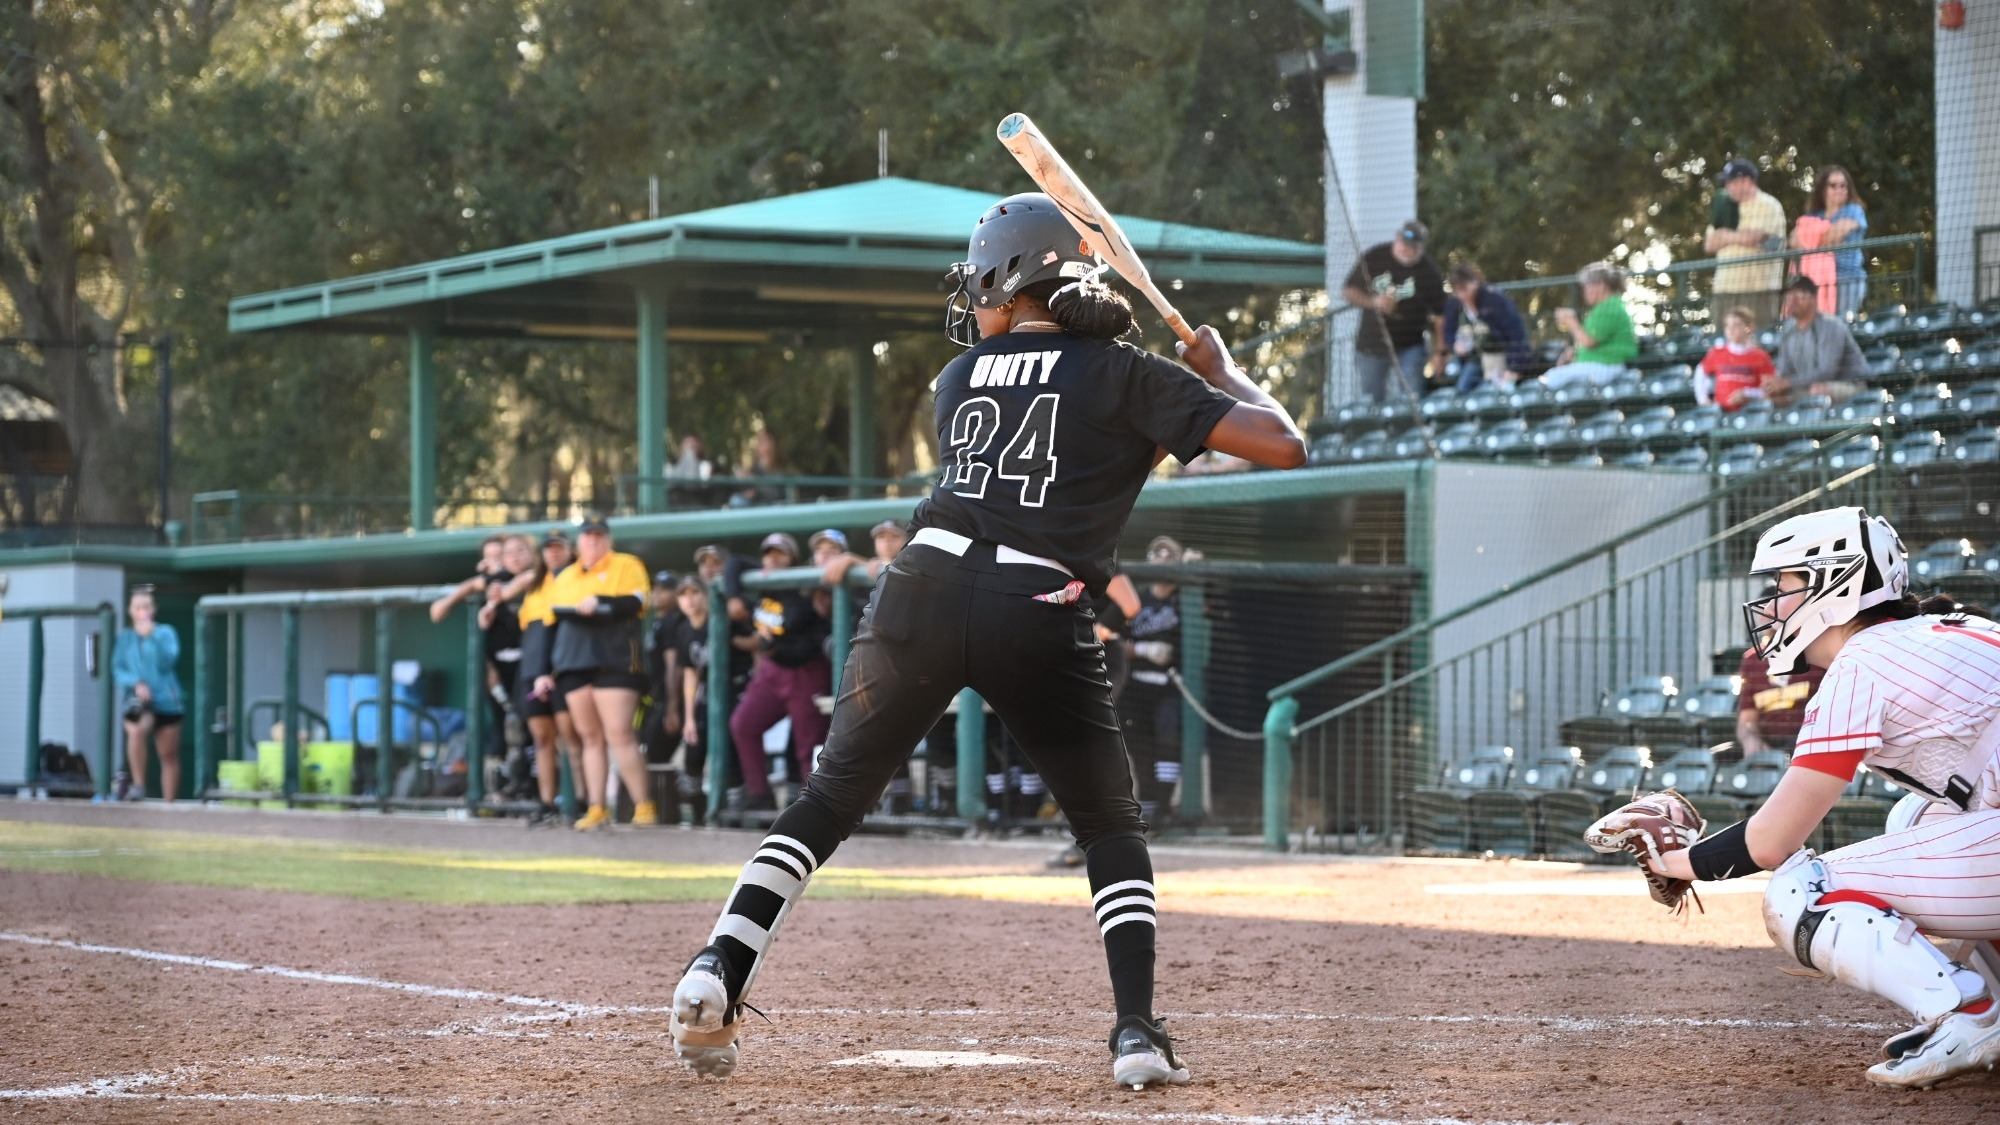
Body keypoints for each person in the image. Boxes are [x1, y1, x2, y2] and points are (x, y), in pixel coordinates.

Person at [668, 190, 1306, 1089]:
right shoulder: (1125, 371)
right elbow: (1284, 445)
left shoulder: (958, 378)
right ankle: (1134, 1033)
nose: (972, 302)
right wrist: (1223, 374)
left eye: (981, 286)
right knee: (1109, 824)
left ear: (1014, 281)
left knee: (829, 799)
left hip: (917, 590)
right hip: (1032, 601)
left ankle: (716, 970)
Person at [1600, 507, 2000, 1088]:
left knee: (1797, 893)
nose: (1772, 603)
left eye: (1785, 585)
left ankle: (1969, 1013)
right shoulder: (1942, 632)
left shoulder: (1863, 660)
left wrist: (1674, 861)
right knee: (1913, 815)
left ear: (1834, 584)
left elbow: (1771, 843)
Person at [528, 515, 655, 830]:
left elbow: (638, 600)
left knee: (619, 733)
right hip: (573, 662)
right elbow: (549, 624)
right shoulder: (566, 576)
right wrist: (544, 670)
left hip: (615, 661)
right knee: (589, 738)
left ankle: (644, 806)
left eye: (598, 536)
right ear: (580, 542)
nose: (593, 541)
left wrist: (601, 601)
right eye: (587, 537)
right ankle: (597, 807)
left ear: (607, 539)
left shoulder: (626, 564)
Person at [727, 532, 831, 813]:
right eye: (768, 552)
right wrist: (734, 596)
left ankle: (817, 806)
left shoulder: (808, 586)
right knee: (743, 724)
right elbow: (734, 563)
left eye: (780, 553)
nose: (773, 558)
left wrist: (776, 648)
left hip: (805, 671)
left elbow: (814, 641)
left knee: (807, 745)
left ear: (793, 559)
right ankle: (759, 794)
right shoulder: (762, 581)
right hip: (772, 672)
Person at [505, 530, 579, 827]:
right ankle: (547, 803)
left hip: (561, 667)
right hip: (531, 668)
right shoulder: (535, 583)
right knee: (542, 739)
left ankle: (582, 803)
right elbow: (502, 589)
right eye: (548, 549)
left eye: (559, 548)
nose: (554, 553)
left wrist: (551, 671)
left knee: (571, 739)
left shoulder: (574, 578)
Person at [675, 574, 754, 825]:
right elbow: (690, 674)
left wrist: (740, 642)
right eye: (684, 594)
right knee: (694, 750)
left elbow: (757, 643)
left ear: (706, 596)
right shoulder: (685, 630)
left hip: (737, 686)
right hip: (708, 694)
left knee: (730, 747)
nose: (690, 600)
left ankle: (735, 811)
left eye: (695, 593)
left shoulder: (723, 620)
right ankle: (699, 811)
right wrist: (688, 717)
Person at [1340, 220, 1446, 403]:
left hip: (1410, 345)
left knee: (1411, 397)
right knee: (1371, 399)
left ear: (1421, 249)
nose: (1407, 250)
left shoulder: (1429, 271)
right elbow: (1348, 291)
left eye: (1413, 247)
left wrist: (1440, 352)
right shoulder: (1375, 256)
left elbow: (1440, 316)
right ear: (1396, 239)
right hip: (1371, 345)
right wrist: (1373, 302)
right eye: (1404, 244)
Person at [1125, 537, 1191, 827]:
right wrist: (1140, 649)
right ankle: (1148, 808)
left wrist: (1197, 571)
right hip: (1136, 684)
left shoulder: (1187, 597)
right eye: (1156, 555)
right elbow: (1108, 636)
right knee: (1139, 748)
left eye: (1169, 556)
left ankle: (1163, 810)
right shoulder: (1136, 598)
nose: (1161, 560)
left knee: (1168, 740)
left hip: (1172, 683)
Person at [112, 585, 182, 802]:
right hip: (141, 703)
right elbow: (118, 668)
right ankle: (139, 785)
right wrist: (136, 682)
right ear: (130, 610)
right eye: (138, 607)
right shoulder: (125, 638)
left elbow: (167, 661)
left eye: (147, 606)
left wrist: (151, 637)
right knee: (135, 731)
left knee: (168, 754)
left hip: (167, 701)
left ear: (154, 609)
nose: (143, 611)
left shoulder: (165, 633)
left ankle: (168, 804)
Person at [1704, 158, 1787, 327]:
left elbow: (1761, 237)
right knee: (1724, 345)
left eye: (1731, 182)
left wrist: (1726, 236)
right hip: (1724, 290)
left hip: (1759, 290)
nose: (1727, 187)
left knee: (1759, 343)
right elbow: (1709, 244)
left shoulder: (1769, 204)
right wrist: (1744, 237)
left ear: (1747, 181)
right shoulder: (1724, 206)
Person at [1768, 276, 1869, 404]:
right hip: (1806, 387)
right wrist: (1775, 384)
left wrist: (1787, 383)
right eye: (1788, 296)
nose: (1792, 300)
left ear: (1813, 297)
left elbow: (1827, 372)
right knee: (1771, 396)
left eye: (1798, 295)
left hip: (1849, 386)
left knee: (1818, 390)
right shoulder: (1788, 329)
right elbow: (1784, 370)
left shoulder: (1831, 325)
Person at [1540, 263, 1638, 390]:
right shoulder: (1606, 306)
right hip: (1602, 365)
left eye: (1586, 287)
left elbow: (1589, 341)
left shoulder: (1609, 307)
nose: (1583, 292)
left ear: (1600, 286)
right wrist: (1575, 351)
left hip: (1608, 366)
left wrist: (1571, 321)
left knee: (1551, 378)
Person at [1438, 261, 1532, 392]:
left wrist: (1515, 368)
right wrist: (1454, 345)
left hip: (1500, 357)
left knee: (1497, 391)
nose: (1463, 295)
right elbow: (1448, 330)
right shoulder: (1455, 305)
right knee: (1462, 390)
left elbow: (1516, 334)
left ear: (1475, 282)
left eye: (1465, 288)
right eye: (1458, 290)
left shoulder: (1495, 300)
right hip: (1475, 359)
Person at [1791, 166, 1869, 319]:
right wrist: (1821, 235)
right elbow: (1793, 240)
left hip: (1846, 278)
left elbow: (1831, 237)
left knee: (1839, 325)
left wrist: (1811, 236)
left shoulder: (1854, 210)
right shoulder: (1814, 214)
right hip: (1816, 280)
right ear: (1823, 189)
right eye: (1833, 185)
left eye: (1843, 185)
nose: (1839, 189)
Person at [1733, 641, 1825, 757]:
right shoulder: (1752, 659)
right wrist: (1750, 739)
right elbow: (1747, 720)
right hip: (1768, 751)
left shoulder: (1816, 652)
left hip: (1810, 746)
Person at [1695, 306, 1779, 411]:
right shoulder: (1717, 353)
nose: (1731, 329)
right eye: (1728, 325)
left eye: (1736, 325)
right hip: (1722, 414)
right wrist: (1703, 400)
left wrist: (1746, 394)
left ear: (1749, 328)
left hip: (1751, 413)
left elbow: (1770, 389)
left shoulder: (1761, 356)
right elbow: (1701, 371)